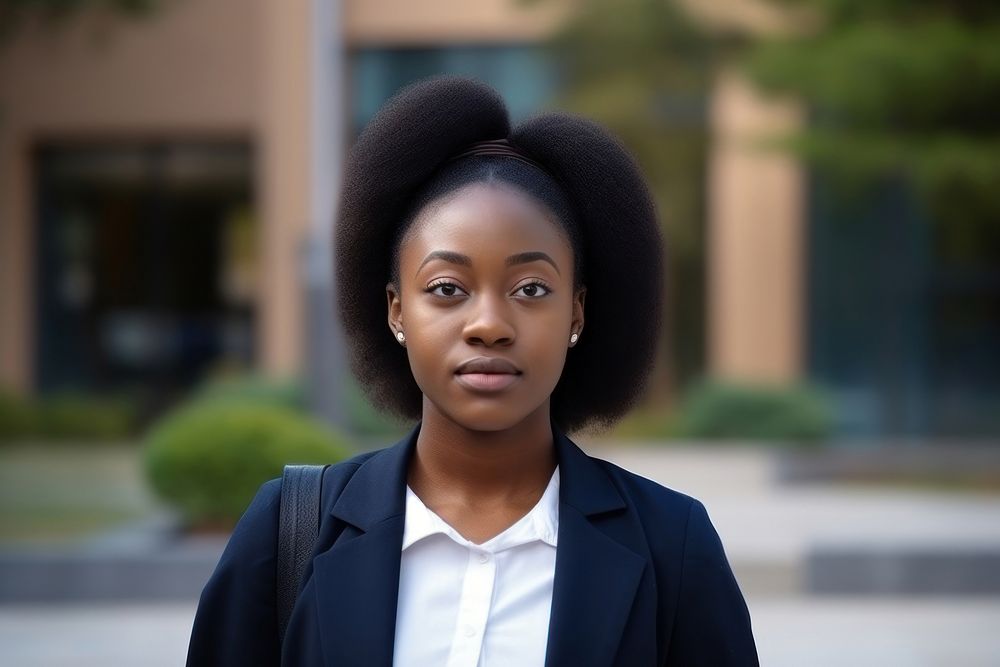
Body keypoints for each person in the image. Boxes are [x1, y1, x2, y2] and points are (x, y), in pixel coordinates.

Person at [187, 76, 758, 666]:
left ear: (577, 312)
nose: (489, 323)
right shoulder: (289, 531)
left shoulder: (672, 544)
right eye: (447, 288)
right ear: (396, 310)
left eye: (531, 288)